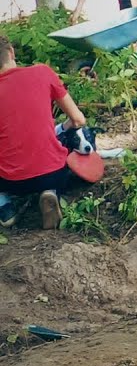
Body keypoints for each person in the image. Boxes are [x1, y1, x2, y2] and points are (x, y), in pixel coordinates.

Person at [0, 34, 90, 230]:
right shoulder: (43, 72)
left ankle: (4, 206)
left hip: (10, 181)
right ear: (11, 52)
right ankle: (49, 192)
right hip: (53, 173)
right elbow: (78, 120)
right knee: (55, 160)